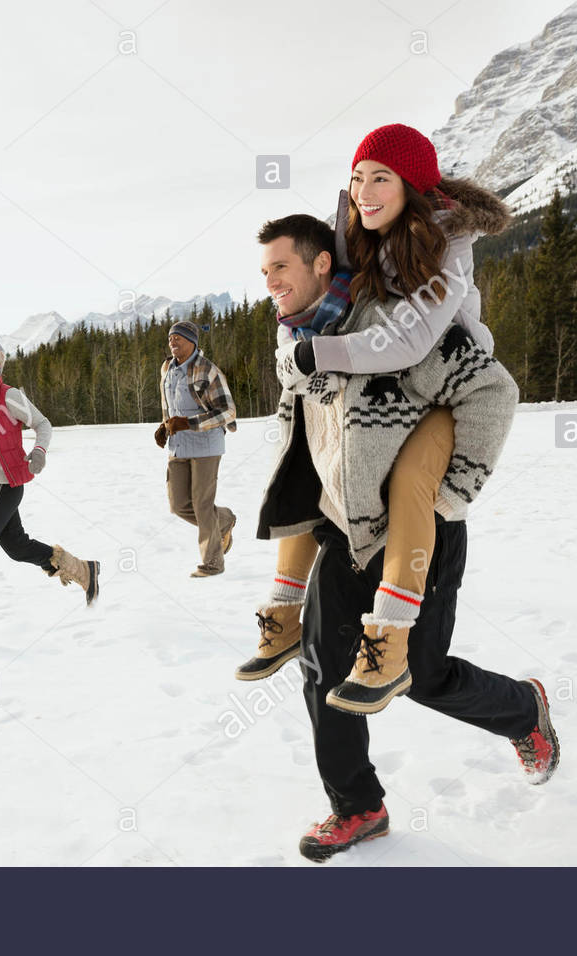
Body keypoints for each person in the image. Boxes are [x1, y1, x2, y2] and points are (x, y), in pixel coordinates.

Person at [279, 123, 514, 715]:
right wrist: (296, 344)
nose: (364, 190)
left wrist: (323, 353)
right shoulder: (356, 237)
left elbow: (411, 339)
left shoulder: (449, 241)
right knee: (305, 462)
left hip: (444, 394)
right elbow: (320, 310)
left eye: (380, 177)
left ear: (411, 186)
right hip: (380, 402)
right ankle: (286, 613)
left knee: (414, 488)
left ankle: (398, 639)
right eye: (357, 178)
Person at [239, 213, 353, 680]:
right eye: (265, 272)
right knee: (321, 665)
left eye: (280, 268)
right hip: (322, 489)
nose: (270, 282)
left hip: (371, 502)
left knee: (423, 672)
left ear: (322, 262)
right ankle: (286, 618)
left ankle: (521, 710)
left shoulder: (364, 315)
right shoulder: (293, 327)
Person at [0, 337, 99, 649]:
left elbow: (43, 423)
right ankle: (82, 569)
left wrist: (39, 450)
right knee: (16, 546)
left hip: (4, 482)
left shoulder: (9, 396)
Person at [155, 319, 238, 578]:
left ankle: (213, 563)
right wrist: (165, 425)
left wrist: (189, 423)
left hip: (206, 446)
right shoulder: (167, 368)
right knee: (178, 504)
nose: (173, 341)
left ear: (192, 341)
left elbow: (228, 412)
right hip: (178, 446)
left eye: (178, 337)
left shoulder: (207, 370)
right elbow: (170, 405)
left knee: (202, 505)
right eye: (170, 338)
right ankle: (224, 520)